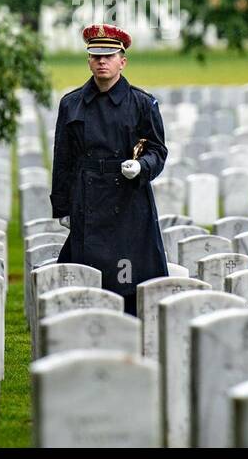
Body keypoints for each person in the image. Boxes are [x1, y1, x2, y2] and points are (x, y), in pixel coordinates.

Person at [50, 23, 169, 316]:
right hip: (87, 200)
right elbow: (63, 159)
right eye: (95, 56)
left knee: (130, 282)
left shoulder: (142, 103)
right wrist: (62, 207)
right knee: (85, 283)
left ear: (122, 61)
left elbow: (158, 150)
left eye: (109, 55)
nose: (102, 61)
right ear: (88, 60)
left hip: (128, 202)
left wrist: (141, 167)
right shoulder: (72, 103)